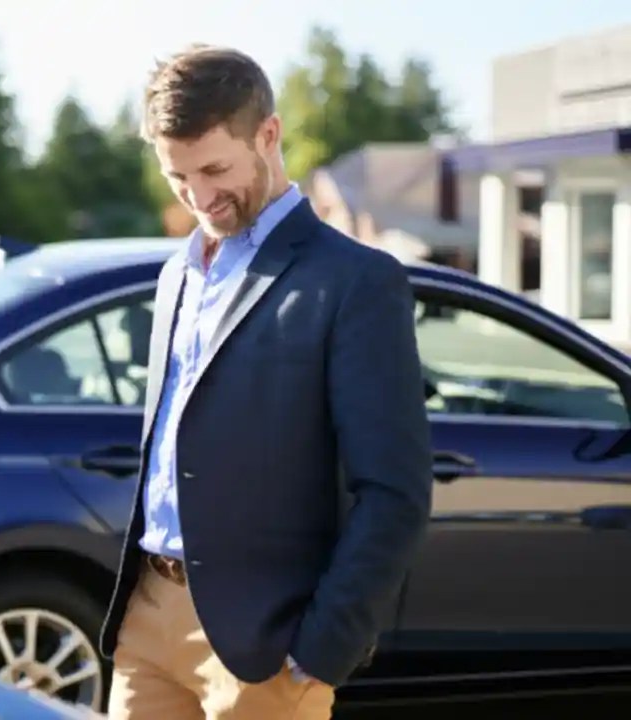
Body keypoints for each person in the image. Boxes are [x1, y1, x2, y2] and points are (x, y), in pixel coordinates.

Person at [99, 44, 432, 719]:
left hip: (267, 645)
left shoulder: (355, 282)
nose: (198, 197)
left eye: (215, 168)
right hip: (147, 620)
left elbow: (395, 491)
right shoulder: (175, 277)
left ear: (269, 135)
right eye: (177, 177)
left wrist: (321, 650)